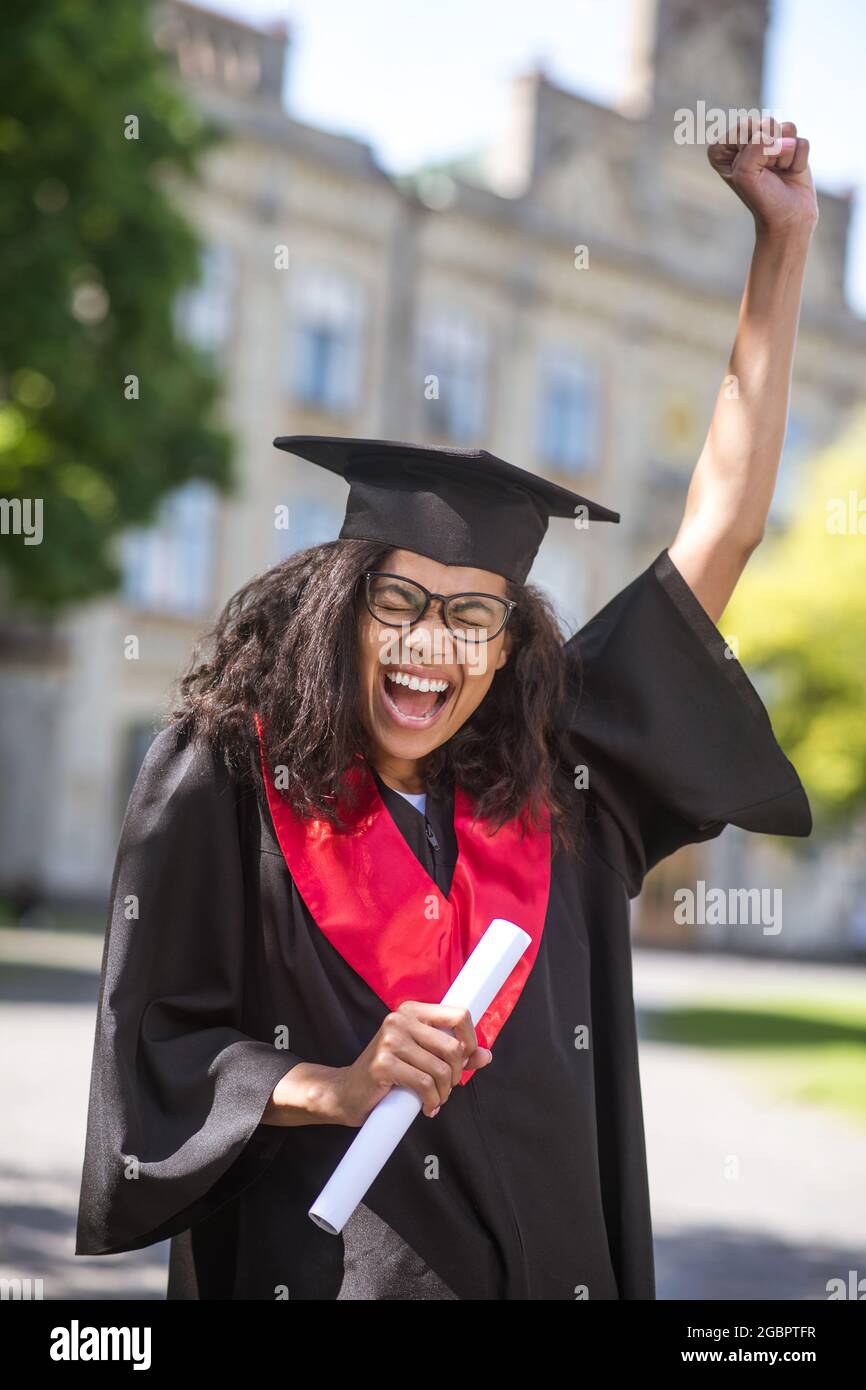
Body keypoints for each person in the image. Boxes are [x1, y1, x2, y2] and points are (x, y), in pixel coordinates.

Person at [76, 121, 817, 1299]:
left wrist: (781, 247)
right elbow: (156, 1043)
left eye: (476, 616)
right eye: (401, 603)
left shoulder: (557, 776)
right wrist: (336, 1082)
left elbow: (721, 526)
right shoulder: (225, 776)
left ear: (508, 643)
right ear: (337, 608)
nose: (434, 644)